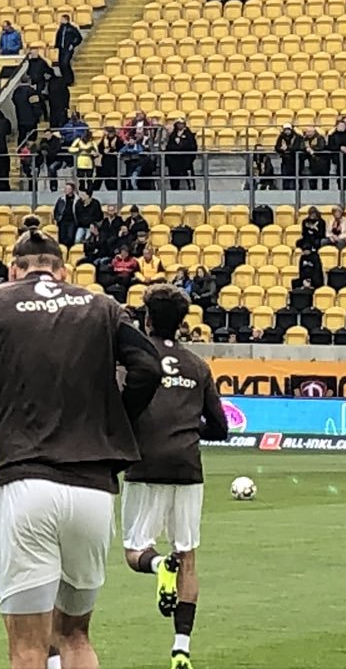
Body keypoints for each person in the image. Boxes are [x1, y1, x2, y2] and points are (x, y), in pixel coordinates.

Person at [0, 230, 164, 669]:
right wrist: (113, 416)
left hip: (27, 481)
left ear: (13, 268)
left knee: (28, 645)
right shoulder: (101, 305)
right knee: (75, 634)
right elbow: (148, 367)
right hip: (93, 488)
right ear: (63, 270)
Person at [121, 282, 229, 669]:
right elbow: (220, 427)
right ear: (182, 324)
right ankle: (181, 646)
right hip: (187, 465)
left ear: (147, 318)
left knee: (136, 550)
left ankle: (156, 565)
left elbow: (120, 409)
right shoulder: (198, 366)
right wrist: (186, 430)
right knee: (188, 555)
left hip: (144, 463)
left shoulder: (133, 360)